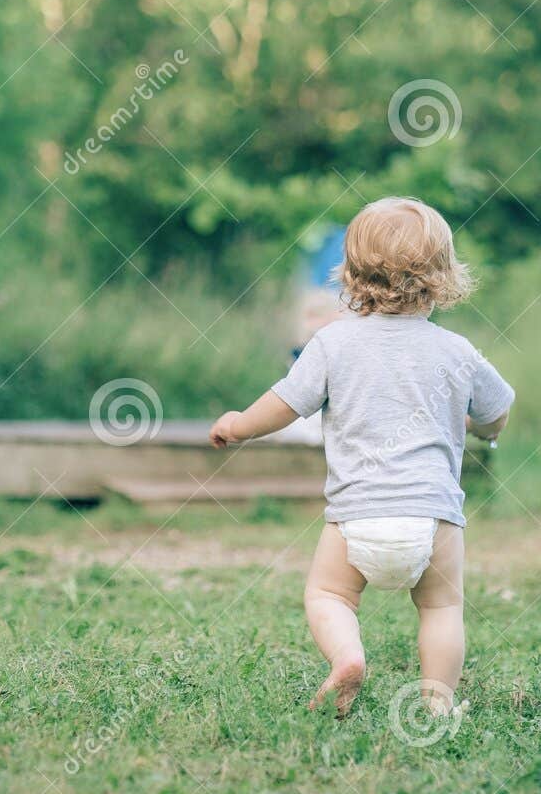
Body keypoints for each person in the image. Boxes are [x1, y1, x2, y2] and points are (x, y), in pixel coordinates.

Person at [209, 196, 514, 719]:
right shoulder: (457, 350)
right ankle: (438, 701)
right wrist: (480, 426)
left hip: (356, 518)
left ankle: (348, 656)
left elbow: (284, 404)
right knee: (442, 608)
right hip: (433, 518)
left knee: (329, 595)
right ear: (442, 277)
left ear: (350, 274)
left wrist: (238, 425)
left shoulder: (331, 343)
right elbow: (498, 410)